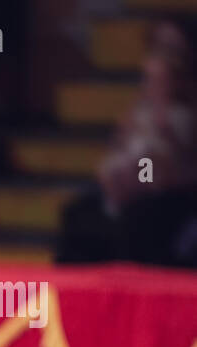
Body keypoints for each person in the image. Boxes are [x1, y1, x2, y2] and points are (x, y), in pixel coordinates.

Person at [58, 22, 197, 264]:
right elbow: (120, 150)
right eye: (157, 49)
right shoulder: (141, 108)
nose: (164, 58)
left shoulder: (185, 112)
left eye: (171, 50)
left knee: (138, 217)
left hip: (174, 195)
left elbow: (175, 168)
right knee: (78, 210)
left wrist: (162, 116)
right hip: (132, 186)